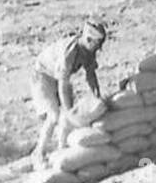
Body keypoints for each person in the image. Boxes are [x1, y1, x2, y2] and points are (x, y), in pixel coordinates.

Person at [31, 19, 107, 168]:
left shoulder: (88, 51)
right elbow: (63, 84)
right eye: (96, 45)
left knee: (67, 118)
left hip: (58, 78)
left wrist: (98, 97)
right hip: (43, 76)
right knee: (54, 115)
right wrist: (67, 109)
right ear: (88, 39)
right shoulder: (70, 52)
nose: (97, 49)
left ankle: (61, 149)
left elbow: (91, 74)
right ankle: (38, 153)